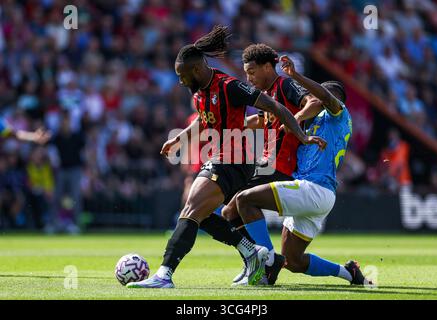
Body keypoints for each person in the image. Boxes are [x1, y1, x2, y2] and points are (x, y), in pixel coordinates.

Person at [126, 26, 326, 289]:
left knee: (191, 210)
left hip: (236, 159)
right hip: (221, 157)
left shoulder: (230, 86)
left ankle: (165, 274)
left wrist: (301, 135)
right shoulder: (199, 94)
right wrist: (179, 139)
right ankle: (253, 253)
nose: (180, 81)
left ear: (196, 70)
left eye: (182, 75)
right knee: (200, 213)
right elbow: (203, 120)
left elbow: (276, 107)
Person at [234, 55, 371, 286]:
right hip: (317, 194)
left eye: (319, 97)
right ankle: (349, 273)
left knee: (245, 201)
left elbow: (325, 97)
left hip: (313, 188)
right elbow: (265, 118)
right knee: (292, 261)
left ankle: (266, 264)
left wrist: (295, 76)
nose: (314, 101)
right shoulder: (308, 123)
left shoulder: (339, 116)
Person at [204, 43, 324, 286]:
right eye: (246, 73)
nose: (248, 78)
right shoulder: (267, 96)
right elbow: (260, 120)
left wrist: (295, 120)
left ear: (269, 67)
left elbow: (314, 102)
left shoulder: (285, 85)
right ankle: (257, 261)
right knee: (229, 212)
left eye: (252, 72)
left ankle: (265, 261)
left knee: (230, 209)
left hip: (281, 165)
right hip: (267, 163)